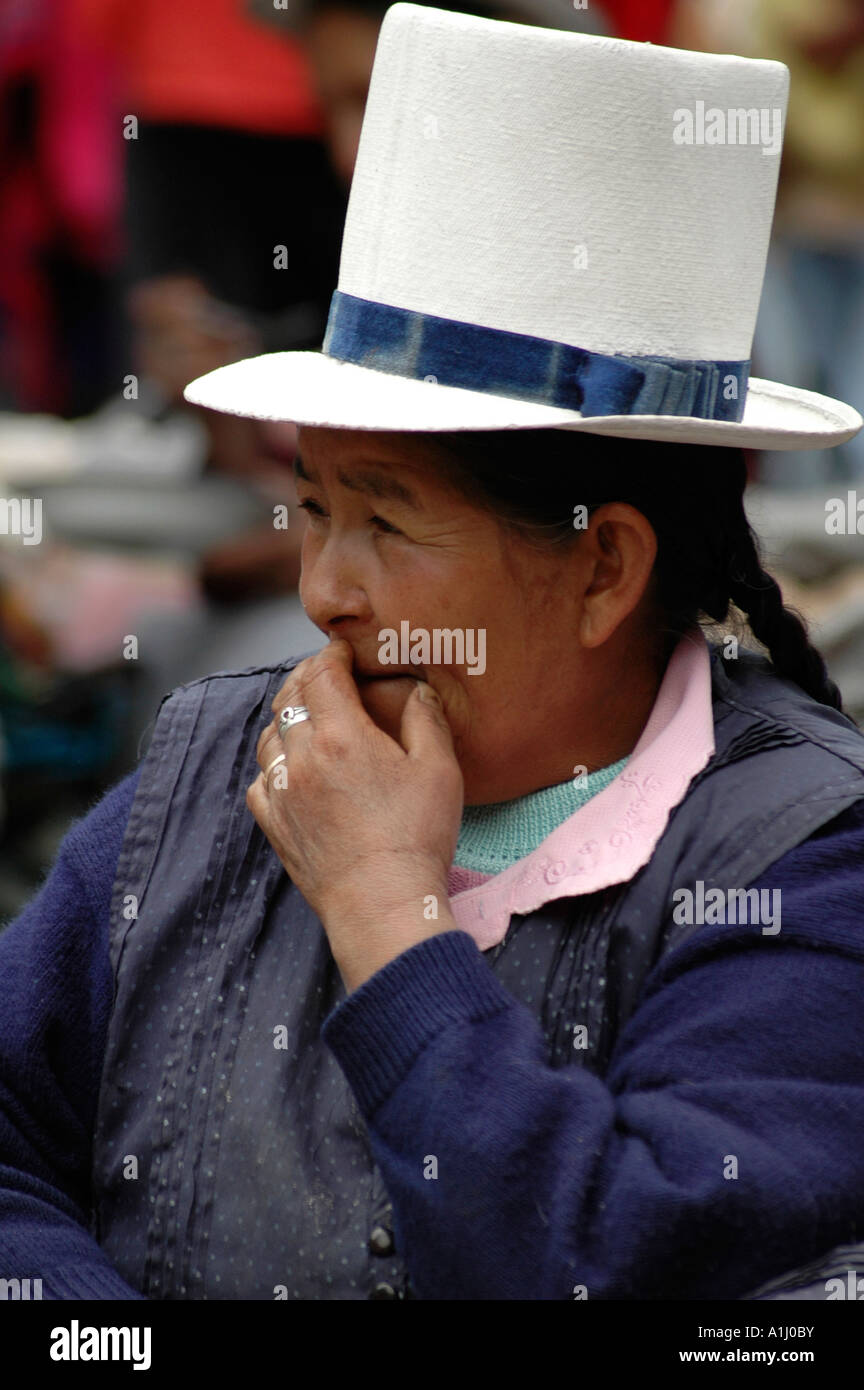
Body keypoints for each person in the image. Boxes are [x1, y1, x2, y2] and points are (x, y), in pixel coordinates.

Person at [2, 3, 864, 1302]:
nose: (323, 588)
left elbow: (606, 1261)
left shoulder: (798, 860)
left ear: (603, 567)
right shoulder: (205, 777)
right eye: (318, 507)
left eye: (390, 521)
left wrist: (387, 915)